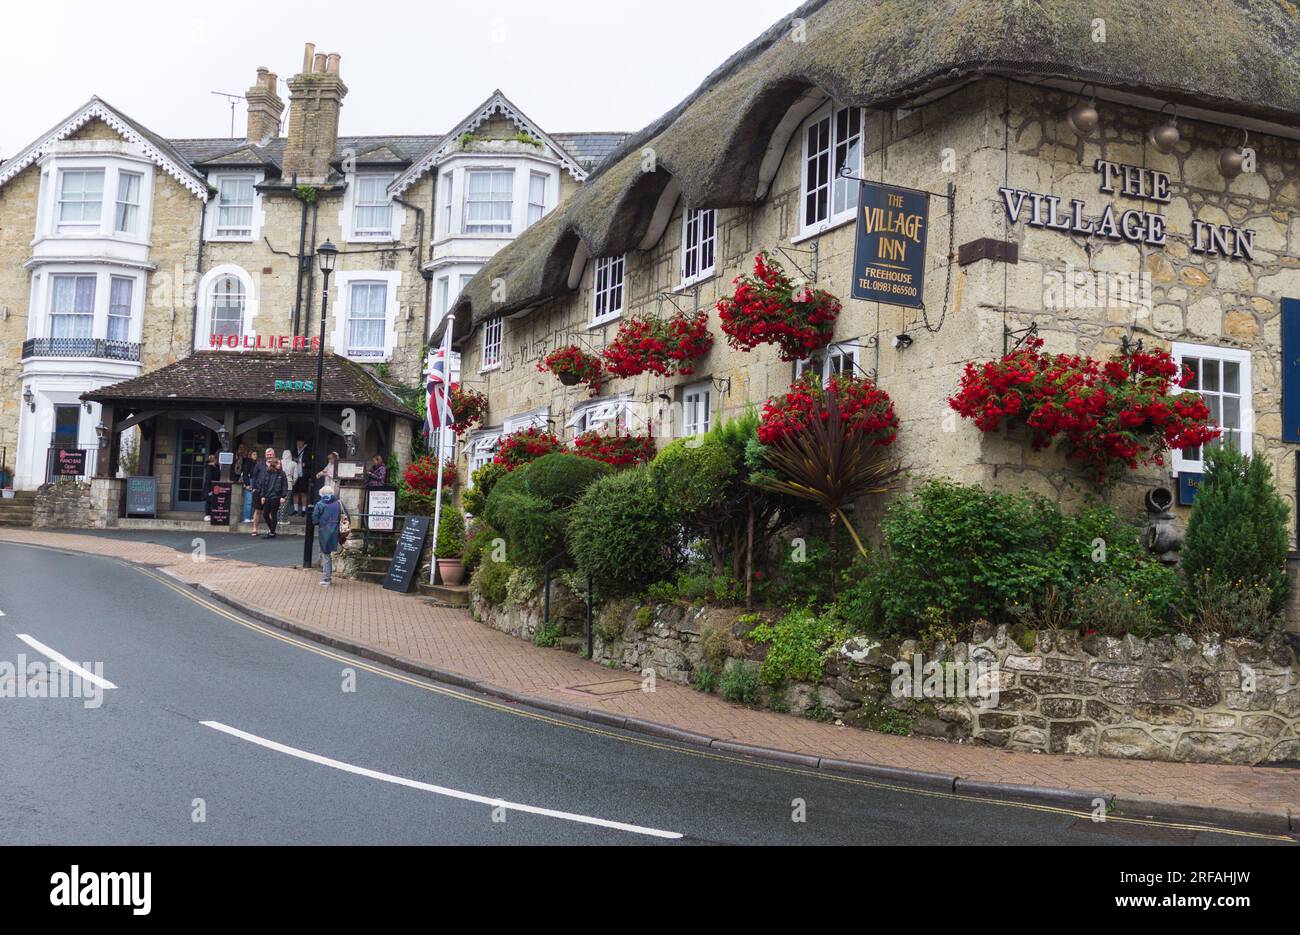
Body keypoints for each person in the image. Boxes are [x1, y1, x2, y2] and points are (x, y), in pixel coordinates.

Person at [311, 484, 348, 587]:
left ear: (322, 494)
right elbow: (346, 516)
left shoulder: (320, 504)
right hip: (338, 533)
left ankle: (327, 579)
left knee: (326, 555)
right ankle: (327, 577)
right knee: (330, 555)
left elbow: (314, 520)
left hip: (325, 532)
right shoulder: (339, 503)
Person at [260, 457, 288, 538]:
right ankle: (272, 529)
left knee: (273, 513)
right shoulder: (267, 472)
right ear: (274, 464)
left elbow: (285, 485)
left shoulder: (282, 473)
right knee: (265, 514)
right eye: (278, 463)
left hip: (276, 496)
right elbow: (263, 485)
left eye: (280, 463)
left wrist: (283, 496)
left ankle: (272, 532)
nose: (280, 465)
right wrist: (262, 496)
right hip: (267, 496)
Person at [248, 447, 274, 536]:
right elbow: (254, 476)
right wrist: (254, 487)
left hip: (270, 492)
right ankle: (254, 529)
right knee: (257, 510)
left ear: (274, 455)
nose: (269, 456)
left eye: (271, 454)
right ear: (265, 455)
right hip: (258, 491)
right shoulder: (259, 464)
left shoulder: (276, 464)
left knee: (270, 512)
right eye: (268, 454)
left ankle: (271, 530)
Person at [291, 437, 310, 515]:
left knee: (303, 493)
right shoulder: (294, 451)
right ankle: (295, 510)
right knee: (295, 493)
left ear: (303, 443)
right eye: (297, 442)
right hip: (295, 475)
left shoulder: (308, 451)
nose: (298, 444)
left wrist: (306, 464)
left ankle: (303, 510)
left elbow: (313, 462)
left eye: (300, 442)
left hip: (303, 474)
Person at [203, 453, 220, 522]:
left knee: (213, 500)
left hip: (214, 486)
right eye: (216, 459)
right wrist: (212, 485)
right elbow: (209, 477)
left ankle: (211, 514)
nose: (217, 461)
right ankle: (207, 515)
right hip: (210, 486)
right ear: (214, 460)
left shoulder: (215, 467)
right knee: (208, 500)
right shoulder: (209, 467)